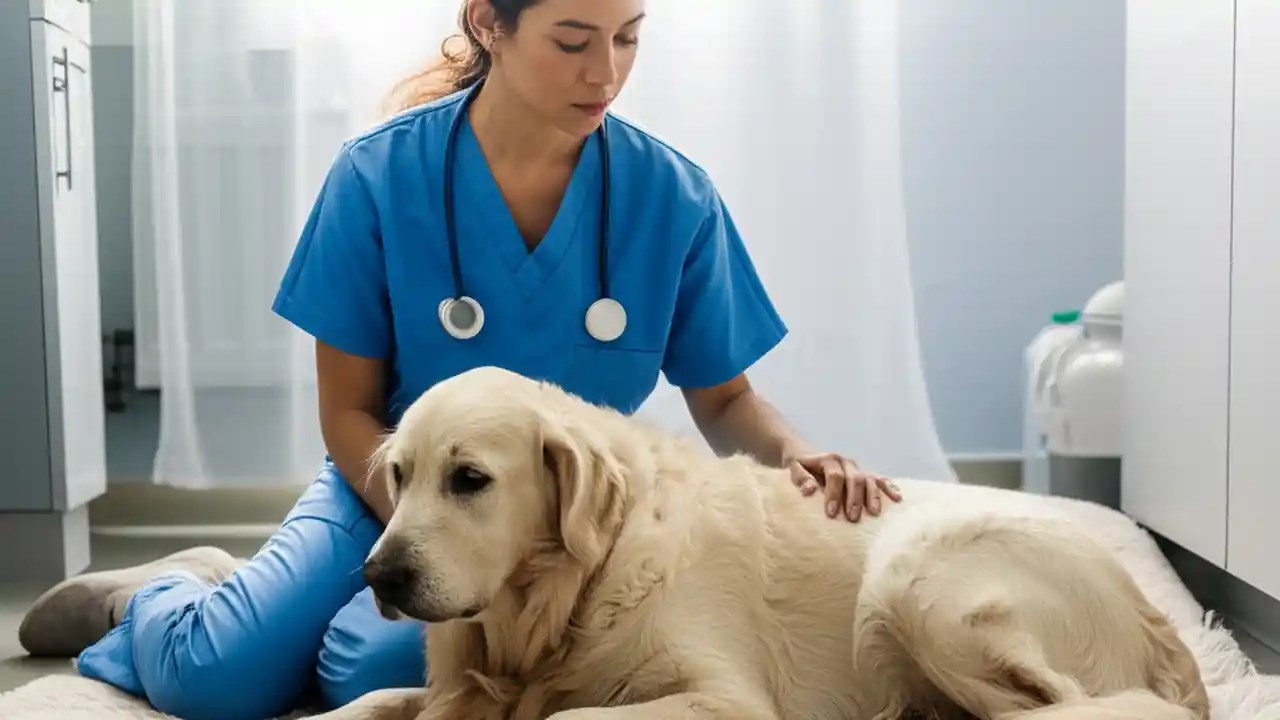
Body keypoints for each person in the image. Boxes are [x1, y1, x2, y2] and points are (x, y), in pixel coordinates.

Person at [18, 1, 902, 718]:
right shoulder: (378, 177)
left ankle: (286, 613)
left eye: (628, 38)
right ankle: (162, 600)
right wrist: (426, 530)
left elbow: (725, 397)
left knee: (379, 670)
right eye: (572, 40)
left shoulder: (671, 196)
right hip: (389, 487)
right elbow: (348, 414)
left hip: (555, 520)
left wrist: (801, 459)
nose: (605, 73)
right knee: (214, 678)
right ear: (490, 24)